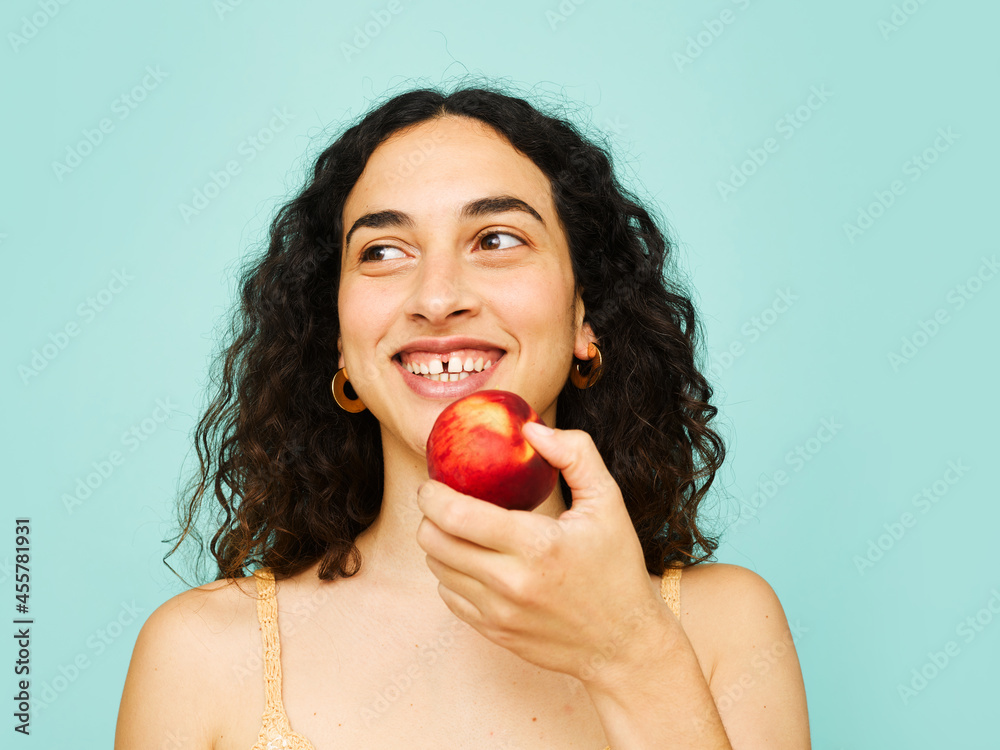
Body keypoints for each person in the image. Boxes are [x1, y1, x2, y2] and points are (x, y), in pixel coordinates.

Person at [115, 84, 810, 749]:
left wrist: (629, 651)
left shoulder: (725, 630)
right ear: (339, 339)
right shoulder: (199, 657)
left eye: (497, 239)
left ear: (583, 318)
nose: (437, 296)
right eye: (383, 251)